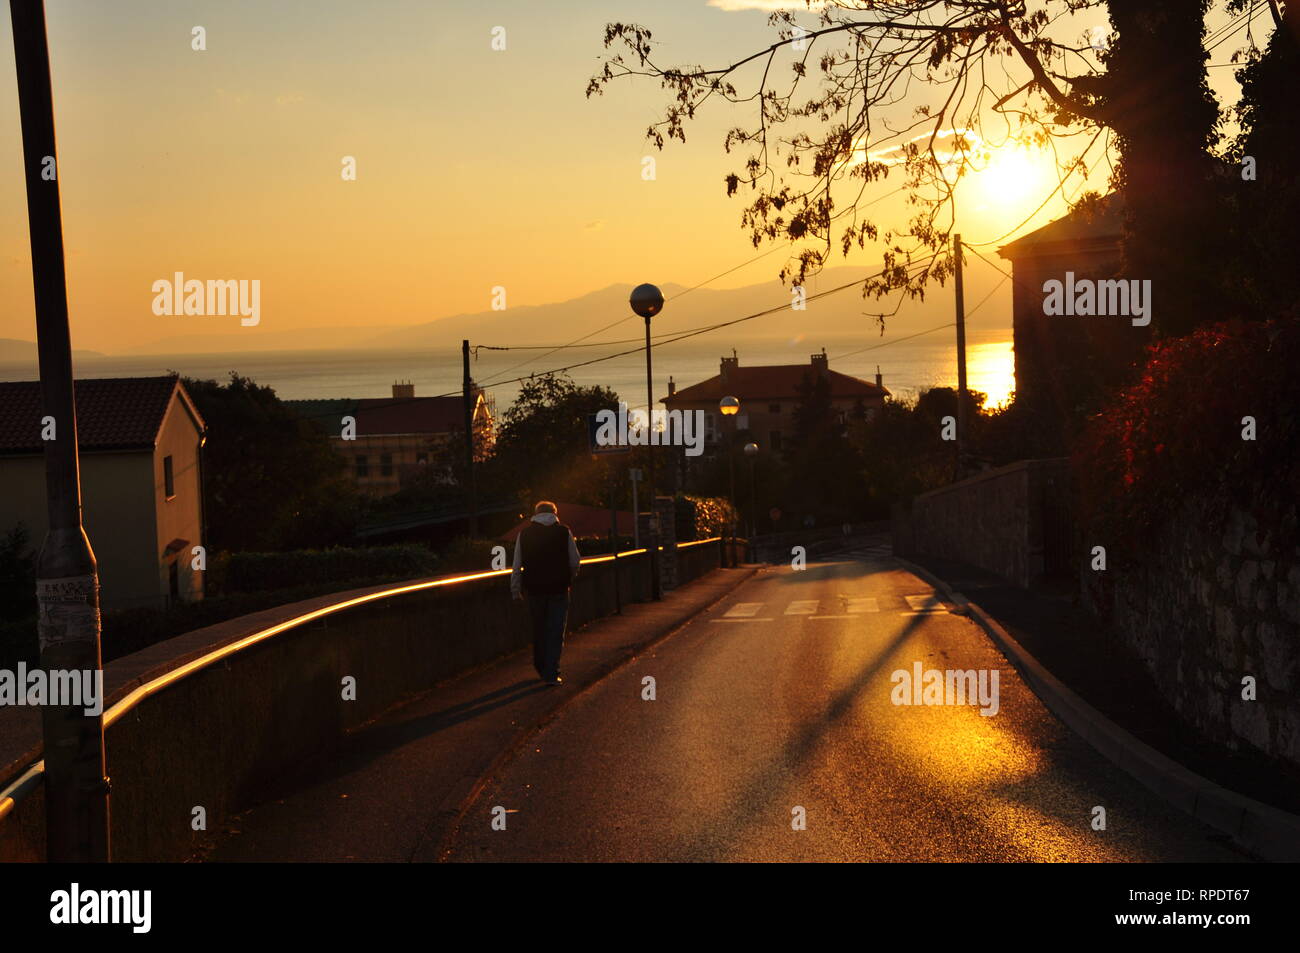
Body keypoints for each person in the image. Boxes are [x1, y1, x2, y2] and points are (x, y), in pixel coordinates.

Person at [510, 501, 581, 685]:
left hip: (534, 589)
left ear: (535, 514)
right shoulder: (564, 531)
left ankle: (540, 665)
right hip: (559, 588)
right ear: (555, 513)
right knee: (556, 631)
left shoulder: (524, 534)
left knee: (539, 629)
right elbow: (575, 561)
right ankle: (552, 672)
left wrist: (515, 590)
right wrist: (569, 577)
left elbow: (516, 565)